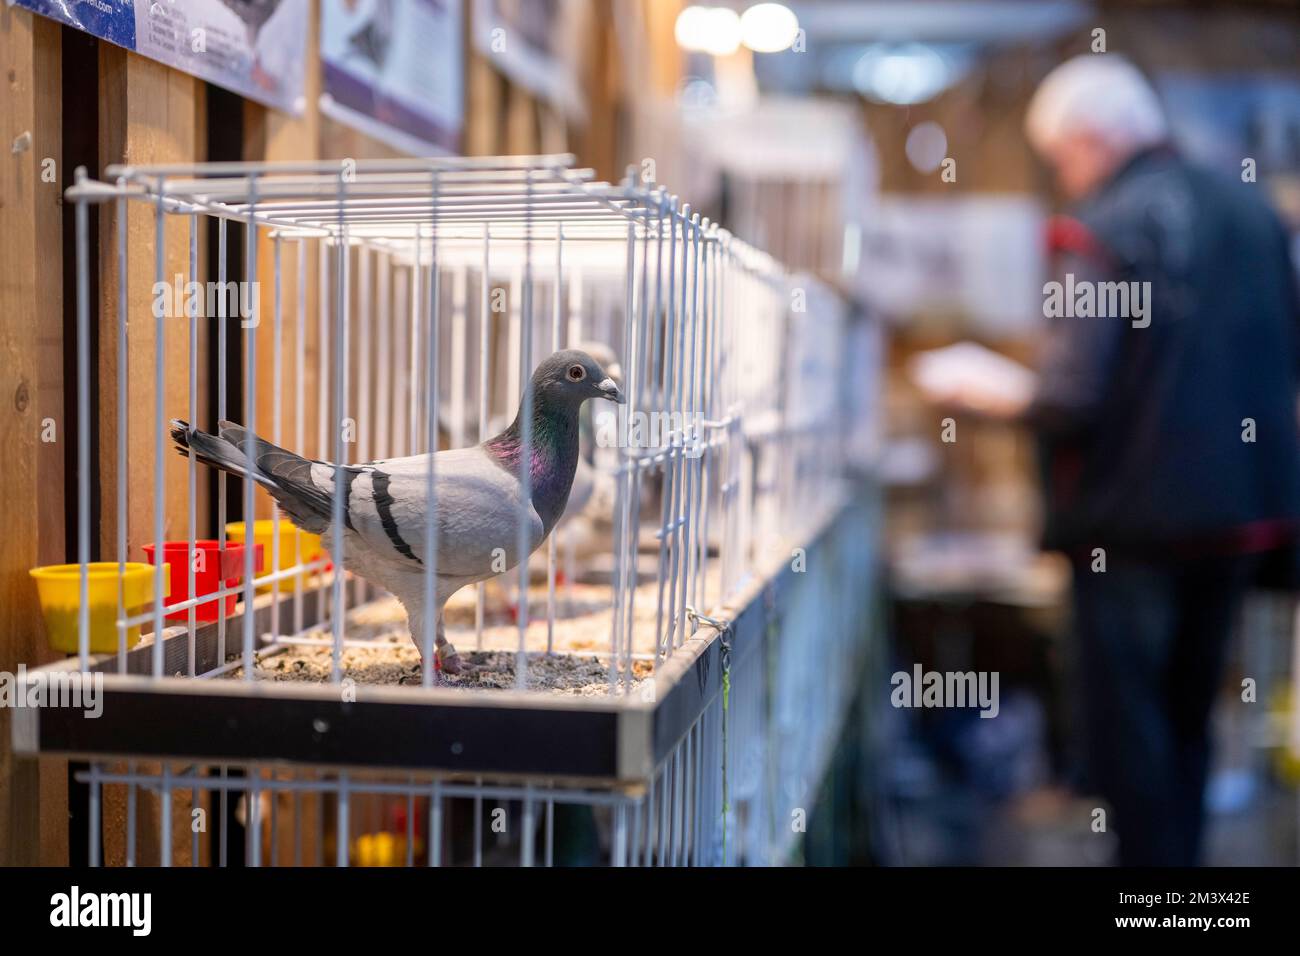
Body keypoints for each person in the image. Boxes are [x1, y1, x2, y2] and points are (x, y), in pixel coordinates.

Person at [953, 54, 1300, 865]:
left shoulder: (1100, 229)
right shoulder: (1254, 215)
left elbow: (1070, 393)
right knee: (1190, 717)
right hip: (1239, 521)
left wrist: (985, 392)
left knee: (1130, 735)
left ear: (1092, 136)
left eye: (1064, 158)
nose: (1067, 177)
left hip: (1131, 529)